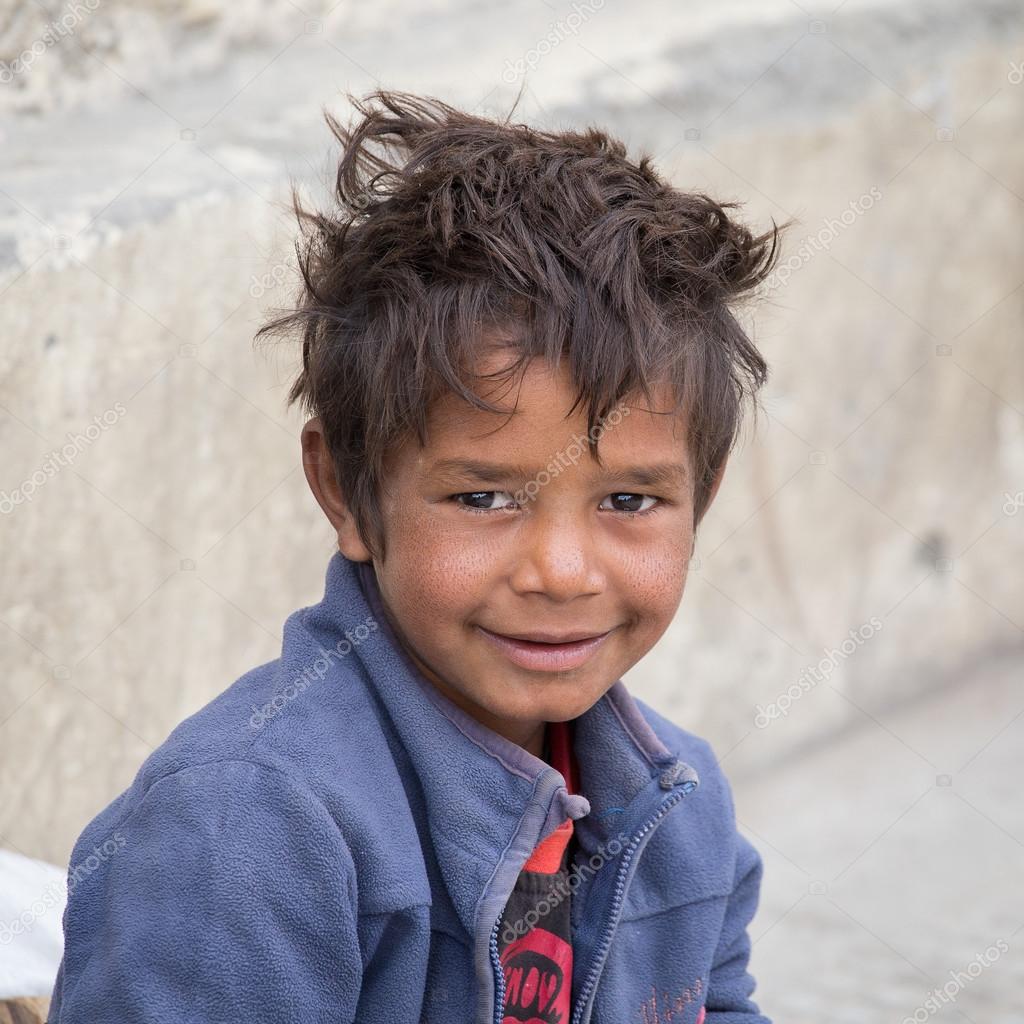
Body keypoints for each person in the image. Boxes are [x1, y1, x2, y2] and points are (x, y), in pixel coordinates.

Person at [47, 88, 790, 1024]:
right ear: (346, 493)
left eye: (630, 501)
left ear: (702, 501)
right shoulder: (246, 829)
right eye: (483, 497)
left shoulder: (681, 808)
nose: (561, 571)